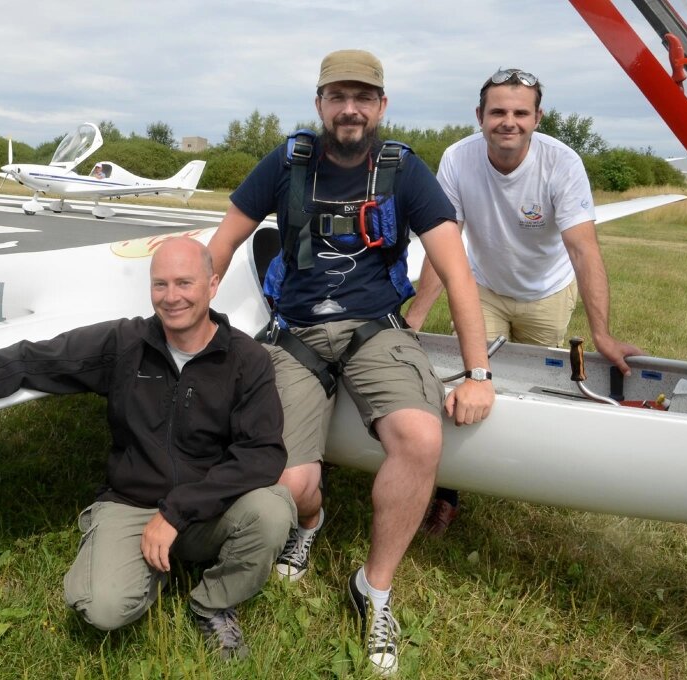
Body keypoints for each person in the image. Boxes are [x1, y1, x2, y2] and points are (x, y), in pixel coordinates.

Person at [0, 237, 296, 661]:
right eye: (159, 284)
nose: (171, 297)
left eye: (185, 283)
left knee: (274, 509)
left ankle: (213, 602)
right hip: (132, 502)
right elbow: (31, 359)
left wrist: (177, 513)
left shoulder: (246, 358)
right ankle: (148, 566)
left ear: (212, 285)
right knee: (101, 609)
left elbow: (262, 454)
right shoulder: (125, 344)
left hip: (204, 508)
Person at [207, 49, 494, 675]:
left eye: (363, 97)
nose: (350, 109)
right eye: (337, 96)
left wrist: (478, 374)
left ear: (382, 107)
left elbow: (456, 272)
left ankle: (374, 588)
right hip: (299, 331)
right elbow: (223, 244)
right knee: (287, 486)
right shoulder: (287, 163)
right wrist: (188, 321)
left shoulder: (404, 170)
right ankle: (311, 522)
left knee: (420, 439)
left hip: (376, 329)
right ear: (319, 104)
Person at [404, 67, 643, 536]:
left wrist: (602, 335)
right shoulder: (457, 159)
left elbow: (583, 250)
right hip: (483, 289)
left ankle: (514, 468)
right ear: (480, 116)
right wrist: (413, 318)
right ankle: (450, 493)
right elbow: (443, 243)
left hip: (546, 293)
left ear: (537, 117)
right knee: (468, 383)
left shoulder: (563, 162)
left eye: (519, 112)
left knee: (531, 388)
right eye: (497, 112)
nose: (507, 121)